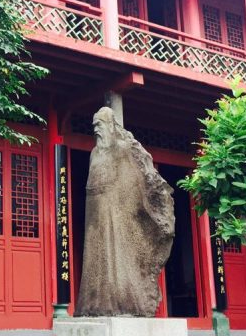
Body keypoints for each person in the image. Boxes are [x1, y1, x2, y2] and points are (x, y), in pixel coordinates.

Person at [75, 107, 175, 317]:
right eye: (94, 125)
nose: (96, 129)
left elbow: (134, 180)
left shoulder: (121, 149)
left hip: (115, 209)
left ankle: (121, 304)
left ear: (111, 126)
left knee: (115, 256)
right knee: (94, 257)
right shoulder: (94, 153)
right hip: (94, 211)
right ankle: (92, 305)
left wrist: (128, 207)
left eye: (99, 124)